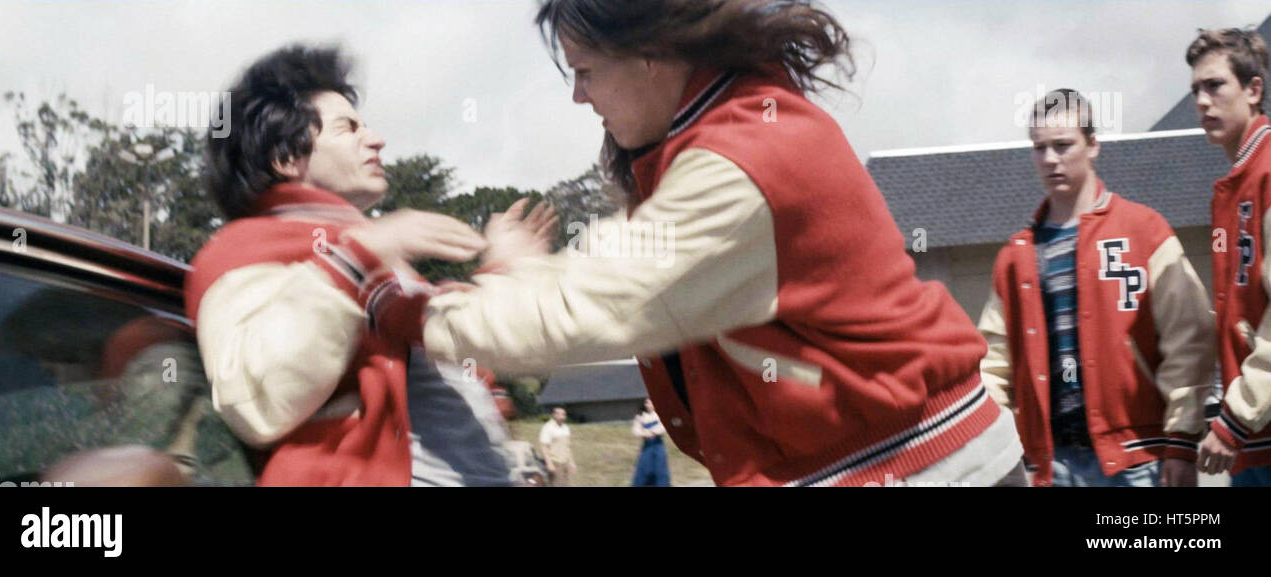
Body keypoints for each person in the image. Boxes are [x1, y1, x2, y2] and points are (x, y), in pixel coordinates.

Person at [414, 0, 1026, 487]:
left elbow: (597, 306)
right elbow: (606, 274)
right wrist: (514, 274)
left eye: (586, 71)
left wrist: (401, 310)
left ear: (649, 54)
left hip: (913, 467)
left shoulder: (743, 160)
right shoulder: (731, 134)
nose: (579, 96)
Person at [186, 44, 512, 486]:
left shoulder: (364, 246)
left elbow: (454, 366)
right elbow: (255, 401)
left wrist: (504, 275)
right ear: (286, 158)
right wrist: (360, 257)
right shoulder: (239, 251)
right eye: (348, 128)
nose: (376, 139)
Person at [978, 89, 1214, 487]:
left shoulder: (1143, 230)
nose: (1050, 159)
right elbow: (993, 363)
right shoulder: (1015, 256)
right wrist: (997, 451)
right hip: (1051, 467)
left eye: (1063, 145)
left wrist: (1182, 441)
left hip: (1140, 459)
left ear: (1093, 146)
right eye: (1039, 148)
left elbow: (1189, 338)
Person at [1189, 28, 1271, 485]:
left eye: (1215, 85)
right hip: (1256, 439)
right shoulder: (1230, 189)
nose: (1202, 101)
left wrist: (1235, 417)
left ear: (1253, 89)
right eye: (1195, 90)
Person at [631, 398, 670, 487]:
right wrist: (645, 433)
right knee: (645, 464)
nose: (649, 405)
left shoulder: (659, 415)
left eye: (651, 403)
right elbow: (635, 430)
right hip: (647, 445)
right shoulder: (640, 416)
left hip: (658, 444)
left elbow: (663, 427)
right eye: (647, 403)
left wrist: (653, 432)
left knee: (660, 466)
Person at [538, 407, 575, 486]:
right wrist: (549, 463)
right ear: (554, 415)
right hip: (555, 462)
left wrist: (571, 462)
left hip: (565, 461)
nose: (562, 416)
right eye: (560, 414)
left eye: (564, 414)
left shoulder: (566, 428)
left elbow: (568, 446)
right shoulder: (548, 427)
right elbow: (544, 447)